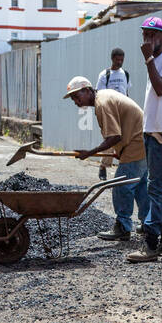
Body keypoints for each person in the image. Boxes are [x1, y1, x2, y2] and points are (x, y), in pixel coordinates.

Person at [63, 76, 147, 241]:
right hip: (143, 141)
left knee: (122, 186)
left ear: (87, 90)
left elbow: (114, 136)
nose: (75, 101)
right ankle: (148, 224)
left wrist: (90, 152)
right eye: (72, 98)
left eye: (76, 96)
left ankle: (123, 227)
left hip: (136, 143)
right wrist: (119, 151)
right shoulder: (104, 96)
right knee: (140, 187)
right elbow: (119, 132)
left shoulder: (102, 103)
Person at [127, 16, 162, 263]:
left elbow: (161, 89)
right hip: (152, 133)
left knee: (155, 188)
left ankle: (150, 244)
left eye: (153, 34)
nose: (148, 39)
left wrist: (148, 58)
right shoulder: (155, 61)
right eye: (145, 35)